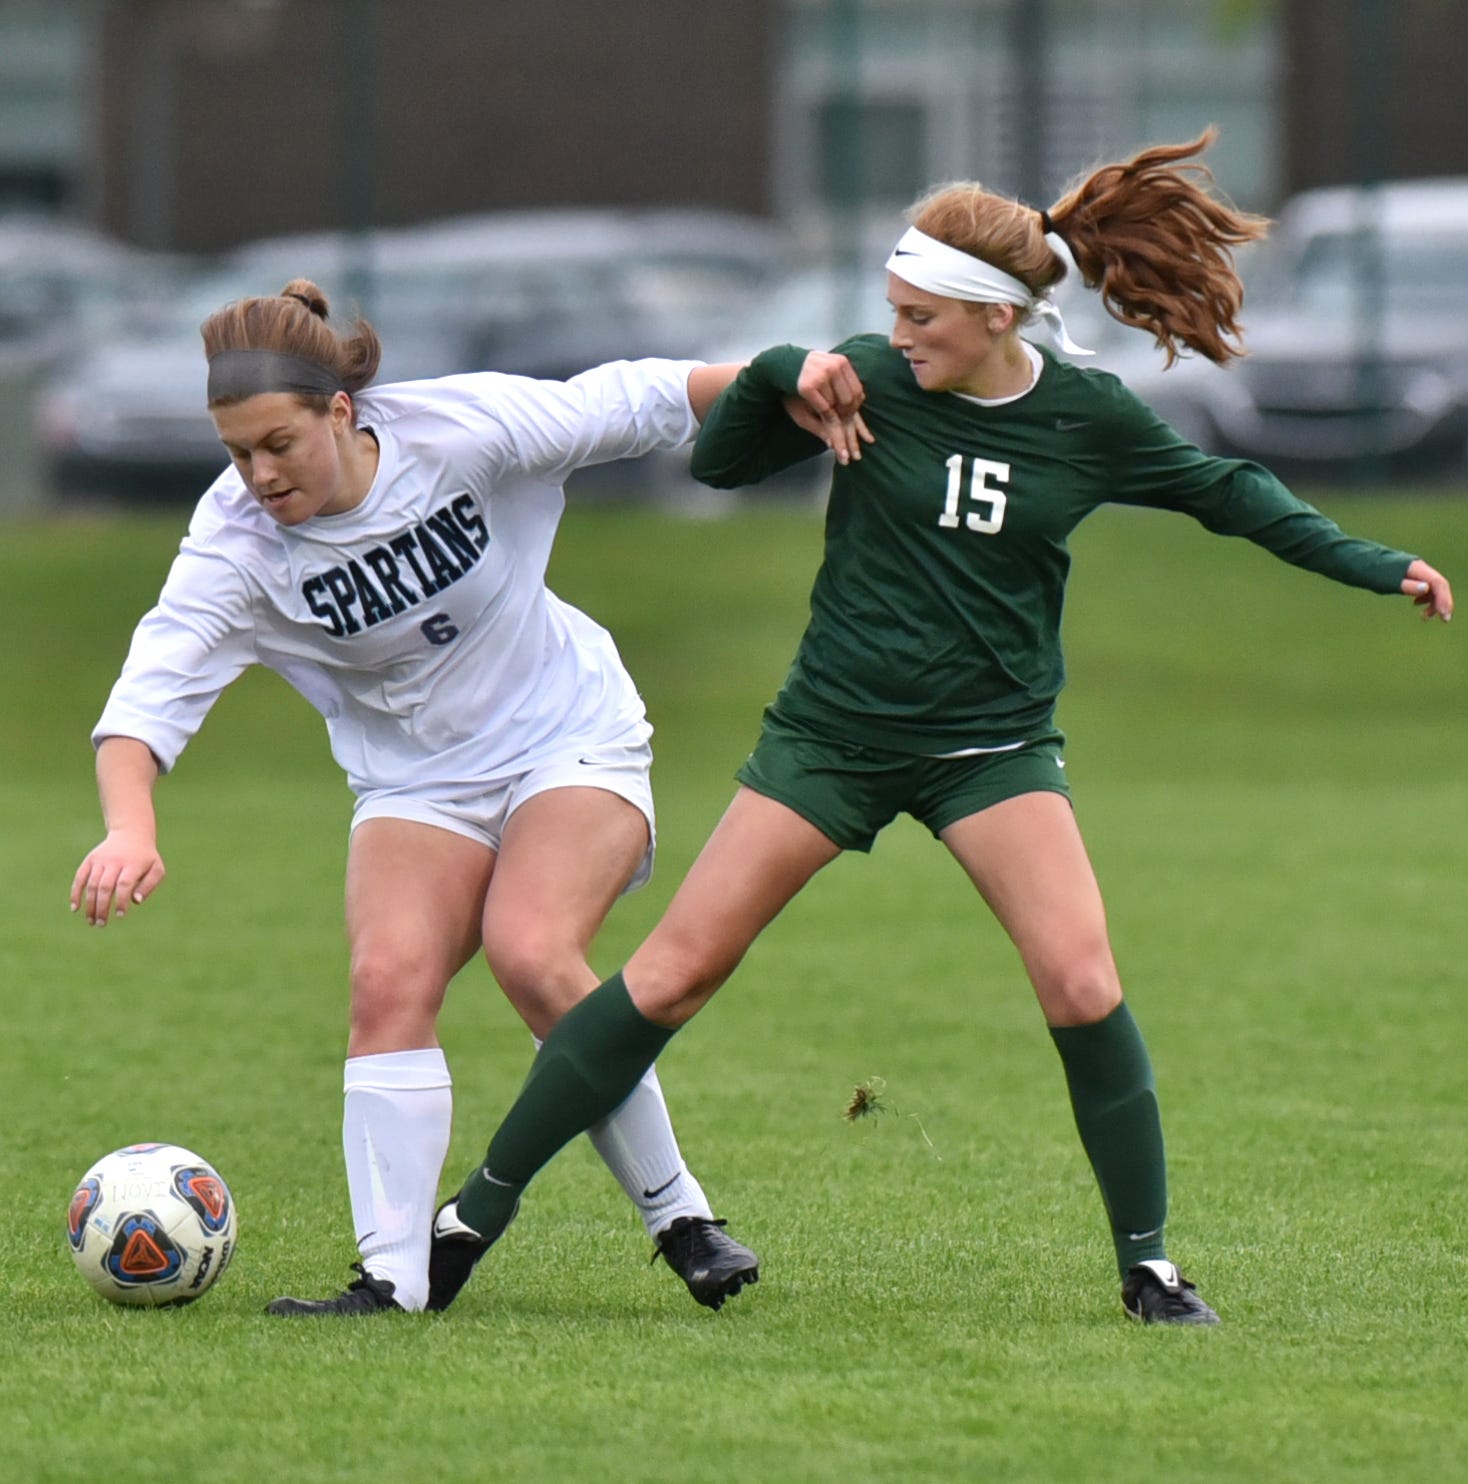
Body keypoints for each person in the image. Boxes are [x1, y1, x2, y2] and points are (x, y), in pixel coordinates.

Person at [421, 129, 1454, 1326]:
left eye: (922, 316)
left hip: (992, 748)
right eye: (892, 311)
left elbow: (1229, 494)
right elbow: (718, 467)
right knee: (672, 972)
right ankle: (465, 1225)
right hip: (832, 736)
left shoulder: (1086, 418)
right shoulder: (862, 379)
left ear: (998, 319)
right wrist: (780, 373)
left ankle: (1151, 1267)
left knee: (1080, 980)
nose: (900, 333)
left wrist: (1379, 565)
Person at [69, 278, 765, 1316]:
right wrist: (131, 821)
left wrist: (791, 378)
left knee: (533, 949)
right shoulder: (235, 545)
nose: (258, 474)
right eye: (236, 453)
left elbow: (628, 397)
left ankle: (682, 1217)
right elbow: (149, 694)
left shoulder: (455, 430)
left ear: (340, 412)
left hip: (566, 733)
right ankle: (391, 1280)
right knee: (386, 979)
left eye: (278, 444)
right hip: (416, 777)